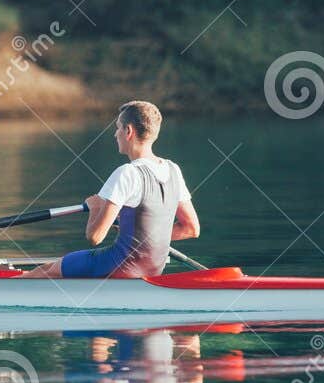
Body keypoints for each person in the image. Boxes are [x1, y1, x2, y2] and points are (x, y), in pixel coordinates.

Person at [21, 100, 198, 279]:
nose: (115, 134)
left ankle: (14, 286)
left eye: (118, 127)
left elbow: (95, 237)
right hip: (152, 269)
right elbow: (191, 229)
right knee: (61, 268)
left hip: (118, 265)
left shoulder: (127, 173)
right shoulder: (173, 169)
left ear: (128, 131)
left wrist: (95, 207)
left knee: (46, 270)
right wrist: (139, 233)